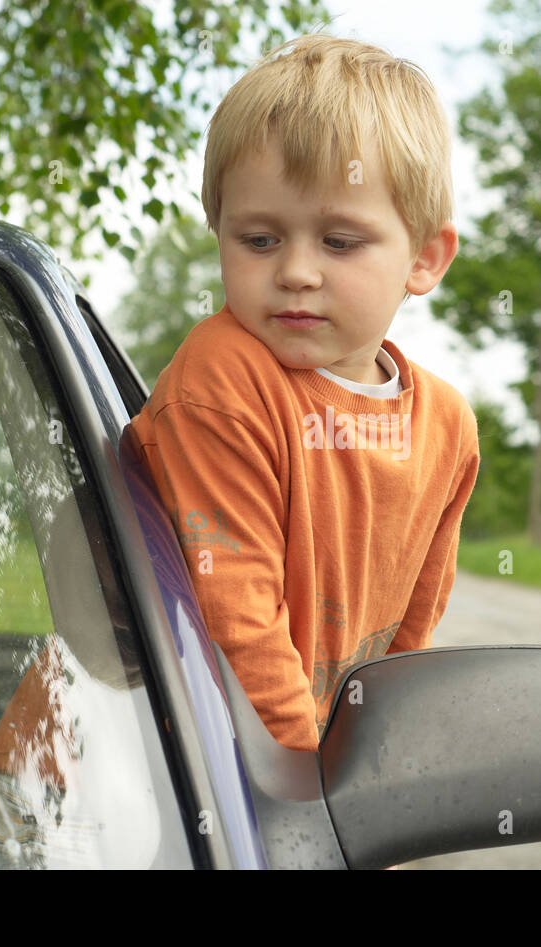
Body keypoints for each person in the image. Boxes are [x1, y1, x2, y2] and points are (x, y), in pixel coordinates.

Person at [127, 32, 479, 754]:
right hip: (146, 774)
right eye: (259, 240)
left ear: (425, 257)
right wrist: (312, 796)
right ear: (219, 233)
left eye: (339, 242)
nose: (295, 272)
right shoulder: (223, 382)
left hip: (278, 784)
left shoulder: (447, 426)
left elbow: (406, 645)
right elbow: (237, 625)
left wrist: (376, 772)